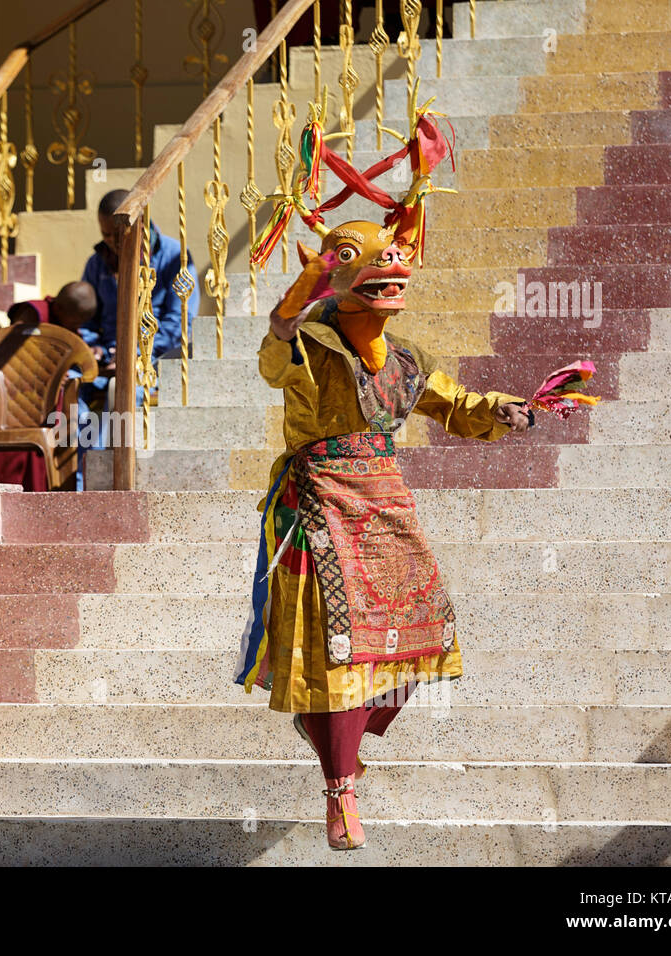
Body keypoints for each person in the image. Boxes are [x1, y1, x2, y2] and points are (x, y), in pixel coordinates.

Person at [239, 223, 534, 851]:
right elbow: (272, 359)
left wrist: (502, 408)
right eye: (363, 261)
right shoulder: (308, 340)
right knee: (338, 649)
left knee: (419, 636)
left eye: (395, 262)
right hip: (318, 499)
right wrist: (294, 300)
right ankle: (340, 789)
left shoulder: (406, 359)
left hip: (386, 497)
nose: (390, 267)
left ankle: (327, 729)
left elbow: (455, 404)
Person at [80, 189, 200, 403]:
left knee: (126, 390)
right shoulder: (97, 263)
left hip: (156, 357)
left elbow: (181, 321)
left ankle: (119, 438)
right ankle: (78, 438)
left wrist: (132, 353)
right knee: (68, 385)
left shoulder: (175, 256)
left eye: (116, 235)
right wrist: (95, 348)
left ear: (140, 223)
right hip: (108, 359)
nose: (110, 242)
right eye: (105, 234)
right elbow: (87, 321)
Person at [0, 281, 98, 491]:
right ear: (60, 308)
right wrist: (48, 376)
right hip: (17, 397)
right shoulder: (31, 313)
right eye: (75, 321)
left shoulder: (67, 324)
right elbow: (9, 359)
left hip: (49, 400)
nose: (77, 327)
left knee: (82, 422)